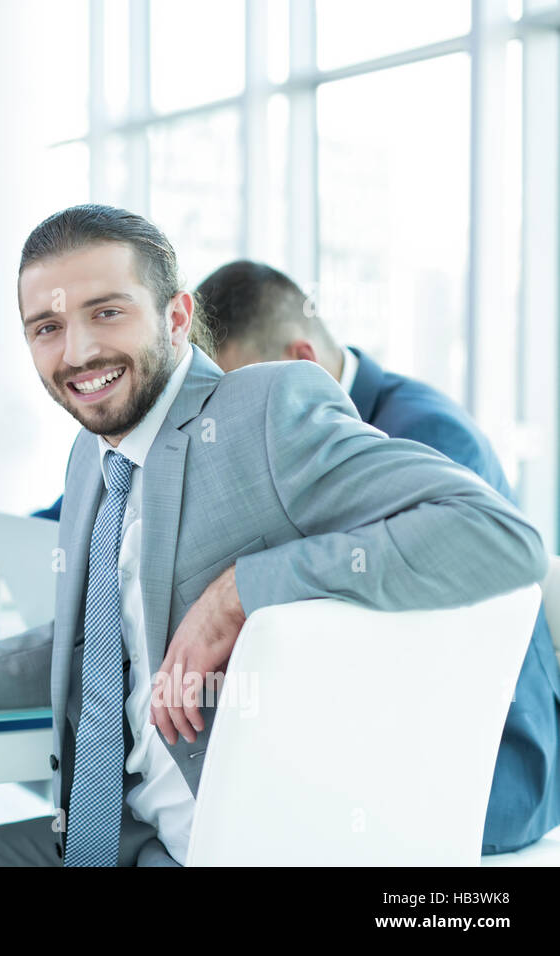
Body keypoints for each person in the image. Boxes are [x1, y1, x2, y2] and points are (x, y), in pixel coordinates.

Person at [0, 204, 549, 866]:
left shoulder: (261, 412)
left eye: (107, 312)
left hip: (235, 840)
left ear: (178, 317)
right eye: (48, 328)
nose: (79, 353)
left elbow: (498, 538)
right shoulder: (96, 456)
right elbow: (91, 648)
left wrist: (242, 592)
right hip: (135, 830)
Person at [197, 258, 560, 854]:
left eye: (244, 406)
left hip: (495, 766)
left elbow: (420, 634)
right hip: (388, 735)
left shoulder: (431, 437)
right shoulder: (301, 439)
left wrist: (243, 589)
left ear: (301, 367)